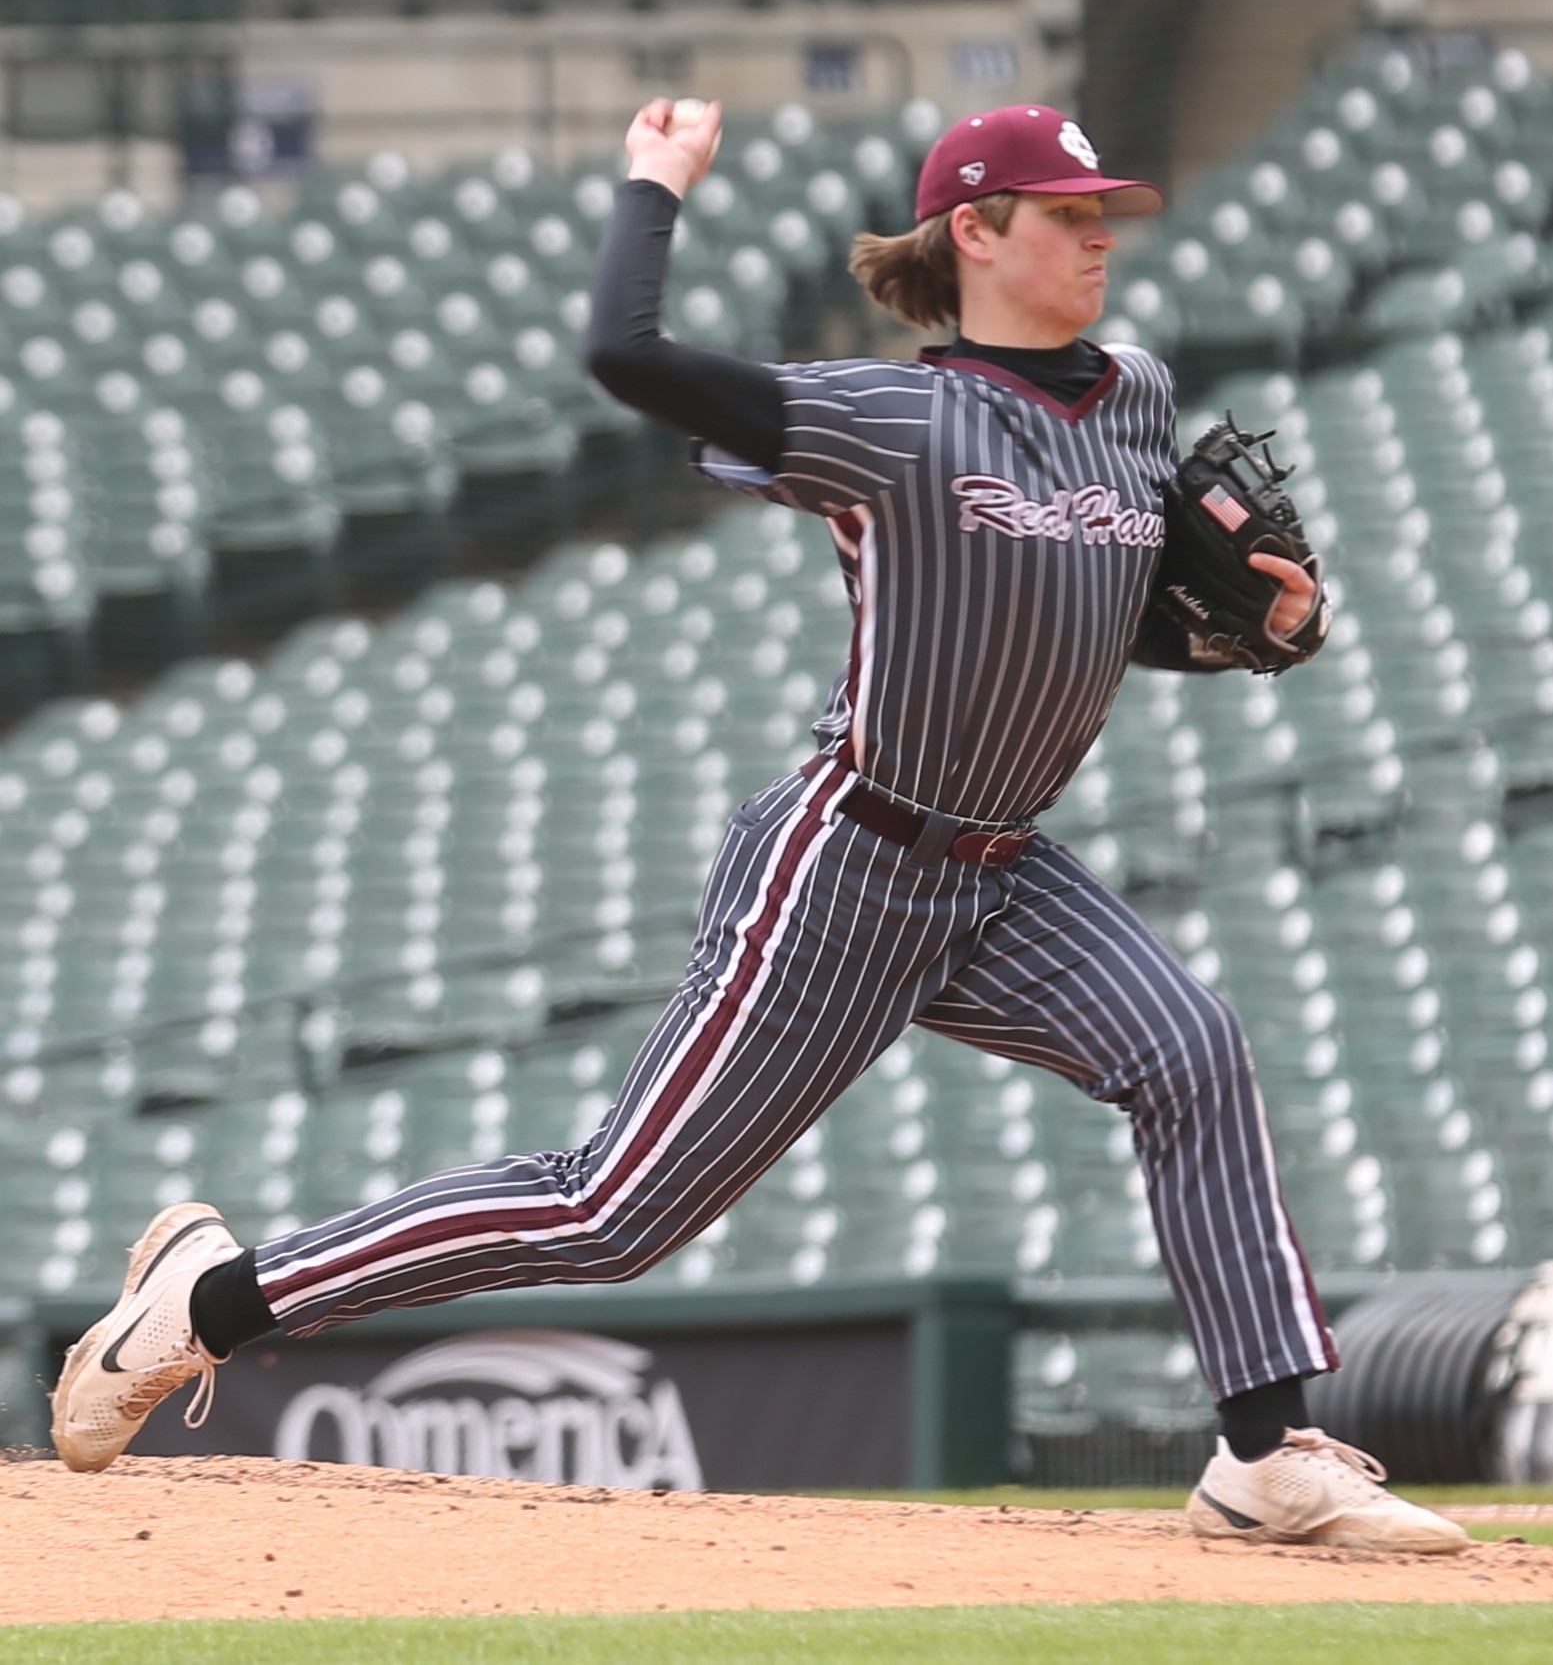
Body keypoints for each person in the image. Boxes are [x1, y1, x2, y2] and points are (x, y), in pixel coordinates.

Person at [51, 99, 1468, 1555]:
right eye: (1060, 210)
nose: (1097, 229)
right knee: (609, 1215)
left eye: (1099, 205)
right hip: (847, 863)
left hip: (1003, 871)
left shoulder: (1134, 398)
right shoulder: (888, 417)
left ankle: (1259, 1457)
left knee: (1189, 1050)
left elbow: (1097, 605)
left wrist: (1259, 623)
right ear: (972, 232)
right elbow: (624, 355)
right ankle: (208, 1303)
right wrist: (653, 186)